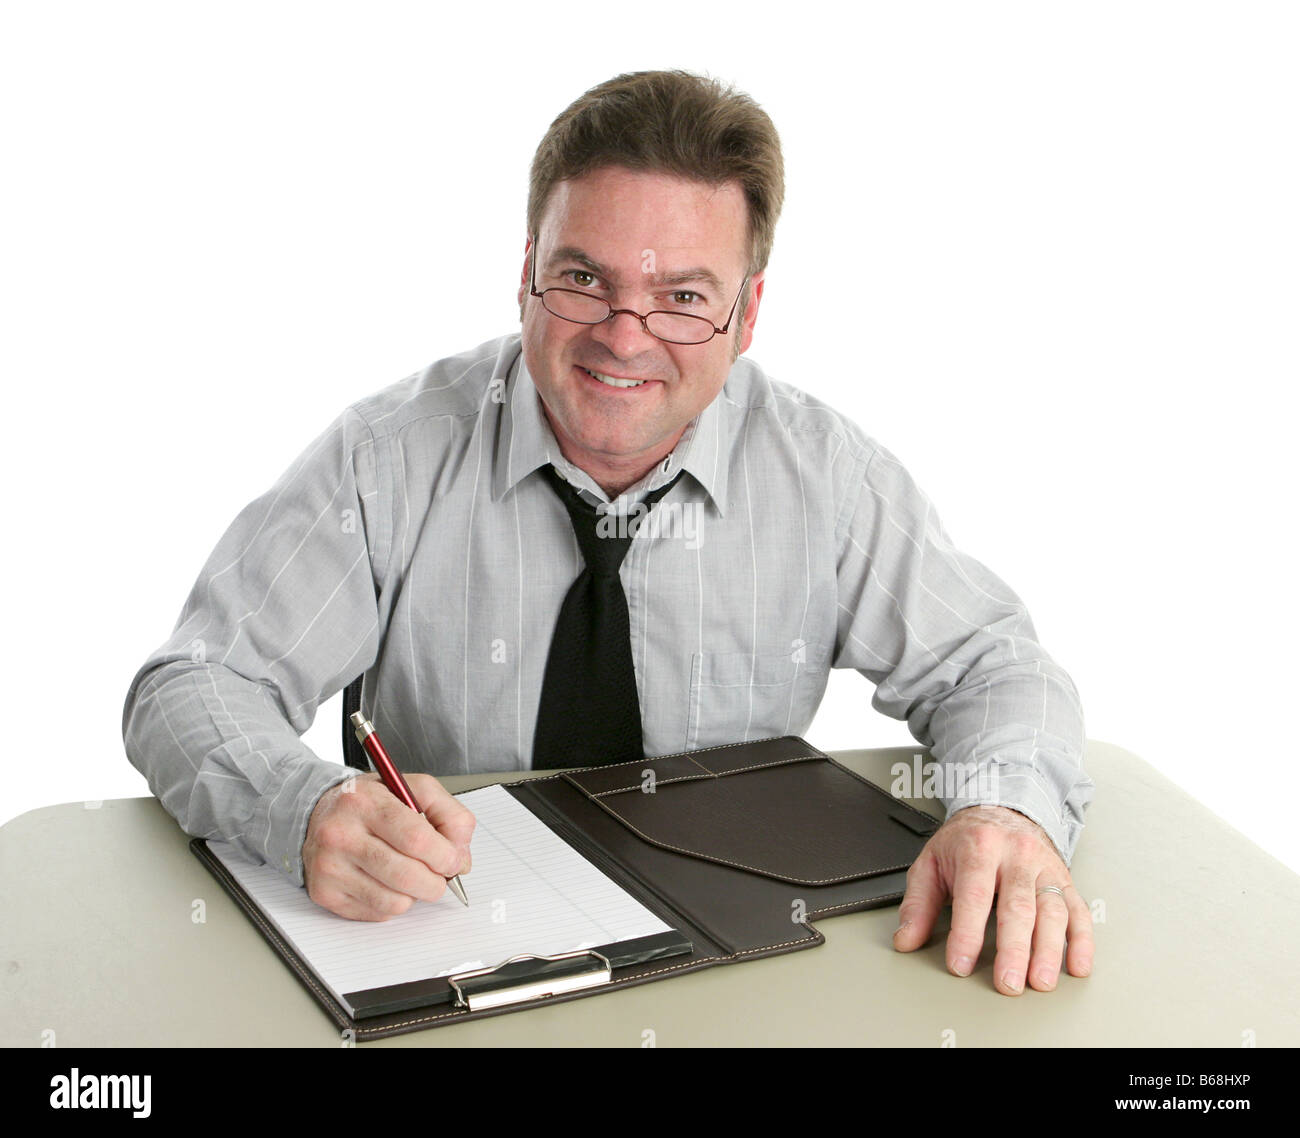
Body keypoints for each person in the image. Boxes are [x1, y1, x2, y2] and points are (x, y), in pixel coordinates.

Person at [123, 69, 1095, 998]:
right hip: (445, 951)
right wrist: (301, 807)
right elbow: (197, 679)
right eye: (583, 278)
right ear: (525, 278)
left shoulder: (825, 476)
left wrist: (1003, 811)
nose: (624, 337)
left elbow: (992, 665)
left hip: (734, 972)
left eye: (681, 296)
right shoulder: (391, 458)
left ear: (746, 313)